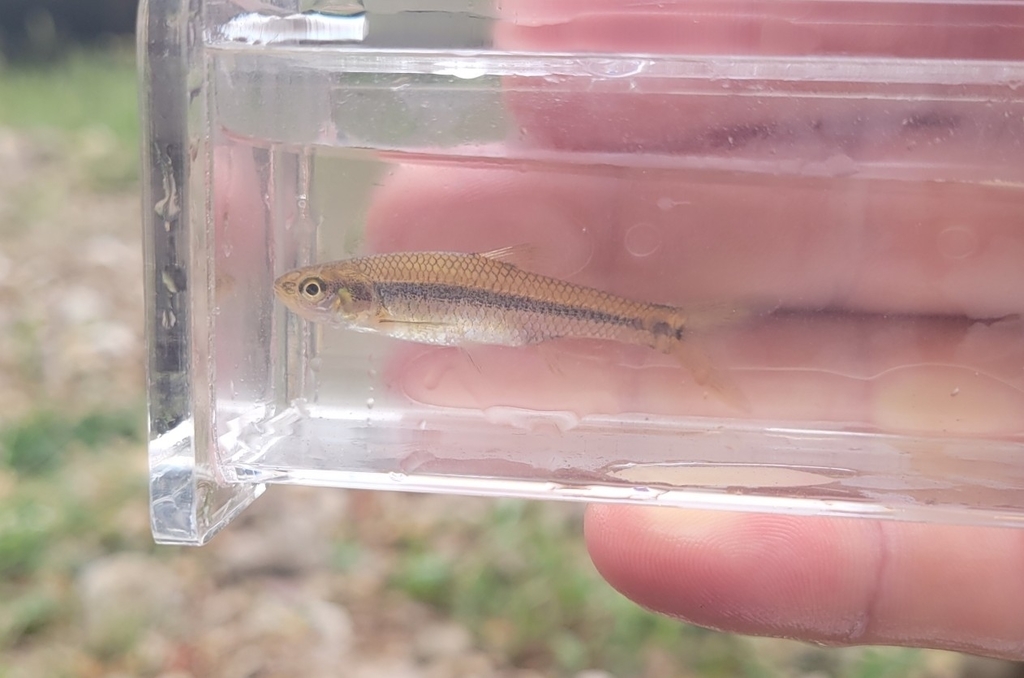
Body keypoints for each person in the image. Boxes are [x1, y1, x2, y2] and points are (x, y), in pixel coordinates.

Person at [220, 0, 1024, 660]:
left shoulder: (395, 296)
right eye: (313, 291)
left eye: (319, 290)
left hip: (521, 307)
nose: (310, 296)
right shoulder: (399, 294)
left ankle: (663, 329)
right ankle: (663, 330)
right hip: (514, 310)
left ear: (357, 297)